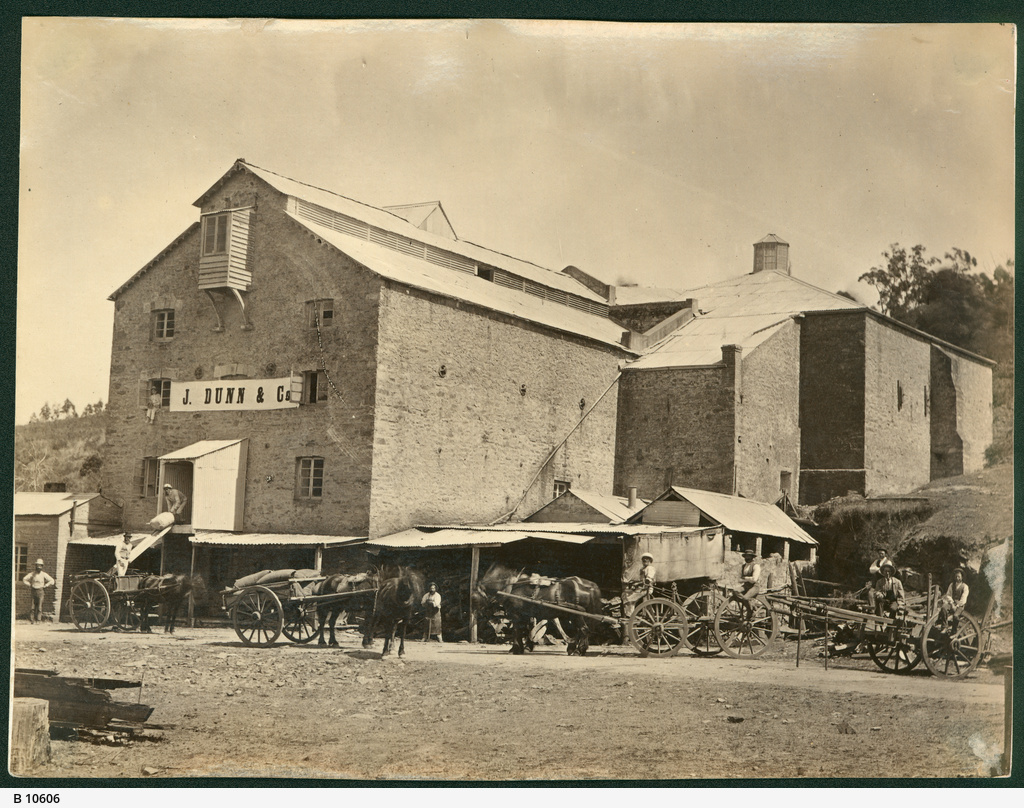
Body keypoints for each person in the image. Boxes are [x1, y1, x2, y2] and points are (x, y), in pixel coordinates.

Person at [22, 559, 55, 623]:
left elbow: (52, 580)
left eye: (40, 566)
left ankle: (38, 620)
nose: (38, 567)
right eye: (37, 566)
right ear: (35, 566)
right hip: (33, 590)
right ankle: (32, 620)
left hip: (40, 591)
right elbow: (24, 579)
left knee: (39, 607)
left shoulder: (44, 574)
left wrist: (46, 585)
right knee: (32, 607)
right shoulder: (32, 574)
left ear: (42, 567)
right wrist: (29, 584)